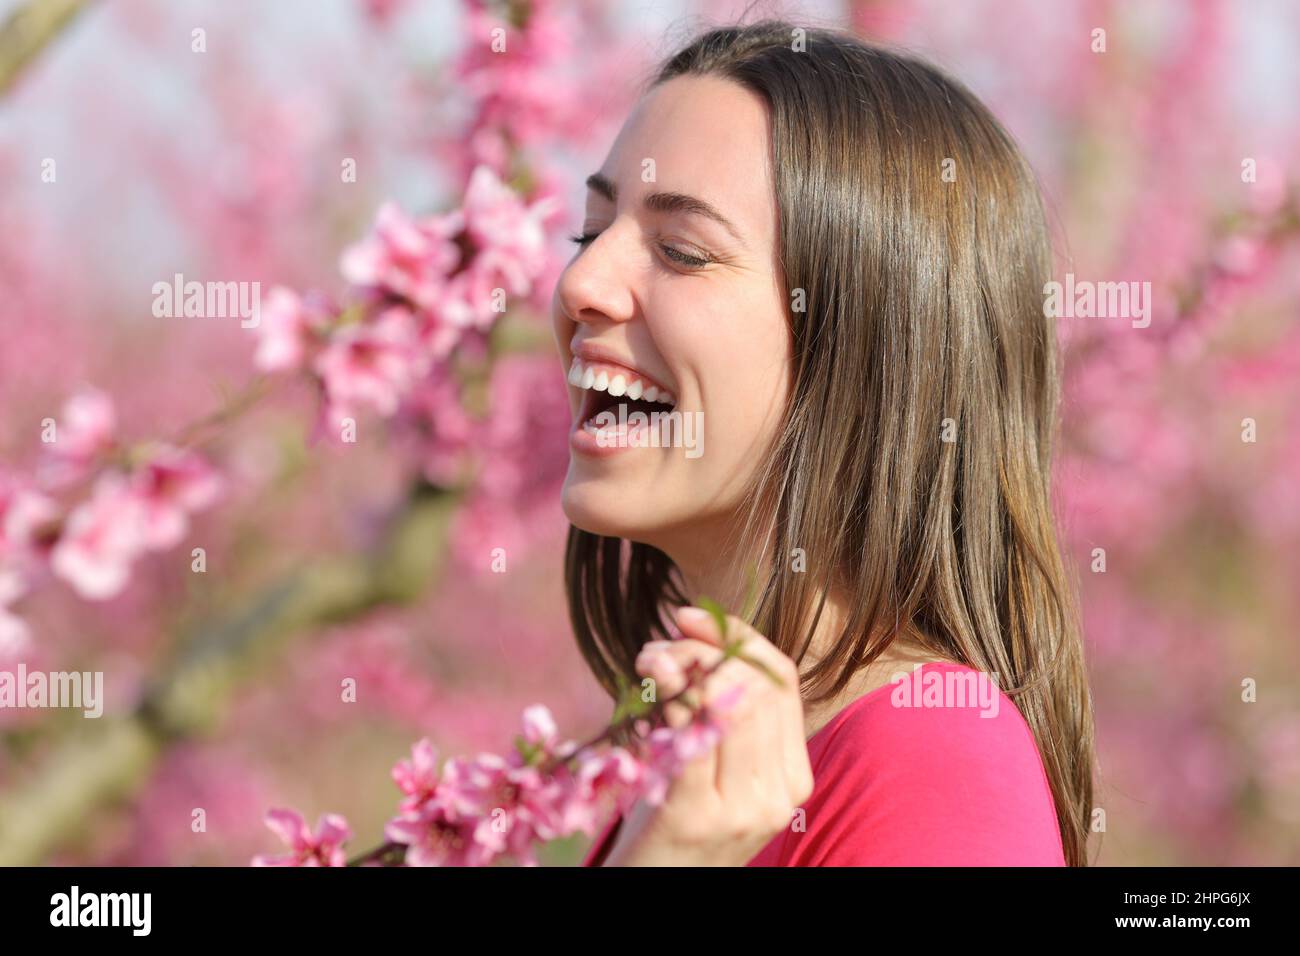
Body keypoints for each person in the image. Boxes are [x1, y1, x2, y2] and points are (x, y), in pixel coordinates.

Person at [551, 19, 1095, 866]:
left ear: (869, 339)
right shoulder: (709, 778)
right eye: (590, 233)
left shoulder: (932, 765)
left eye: (683, 252)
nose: (580, 283)